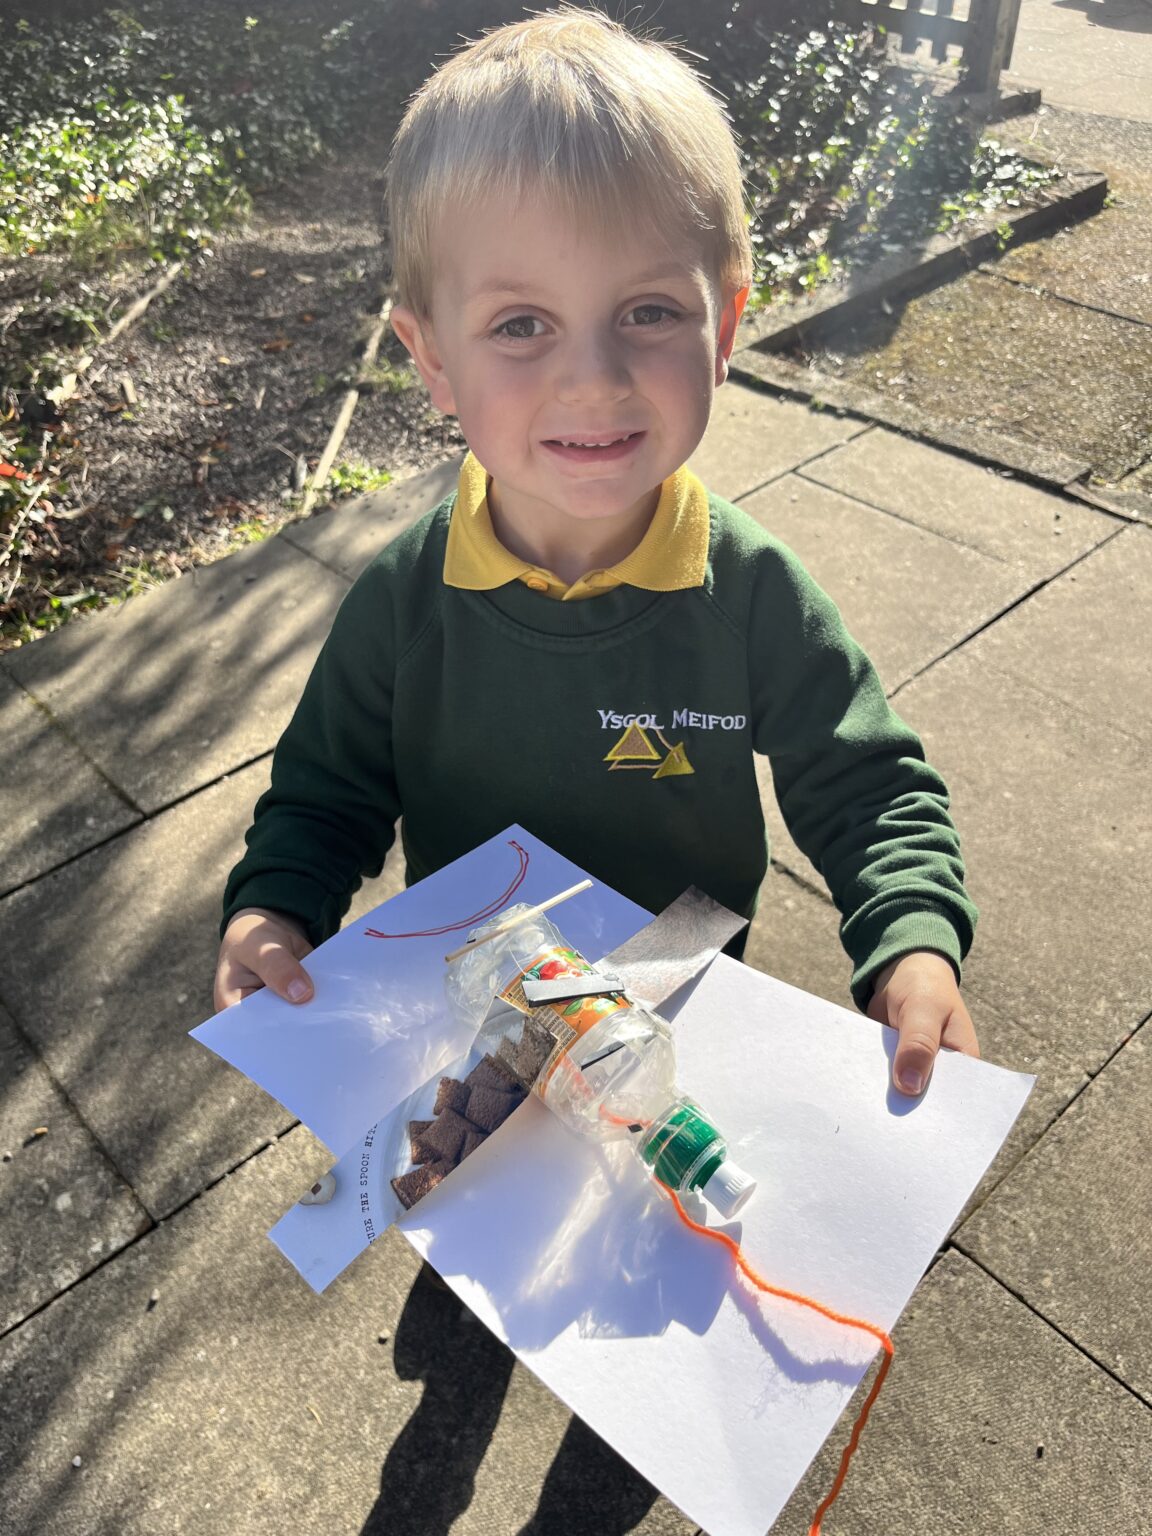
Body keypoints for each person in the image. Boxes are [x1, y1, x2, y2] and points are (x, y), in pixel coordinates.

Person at [213, 5, 979, 1097]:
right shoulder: (403, 601)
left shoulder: (751, 593)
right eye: (521, 324)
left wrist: (911, 934)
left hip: (681, 1017)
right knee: (484, 1243)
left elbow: (866, 783)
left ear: (726, 328)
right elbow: (328, 789)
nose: (594, 379)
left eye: (651, 312)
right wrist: (274, 905)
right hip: (479, 1020)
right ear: (430, 360)